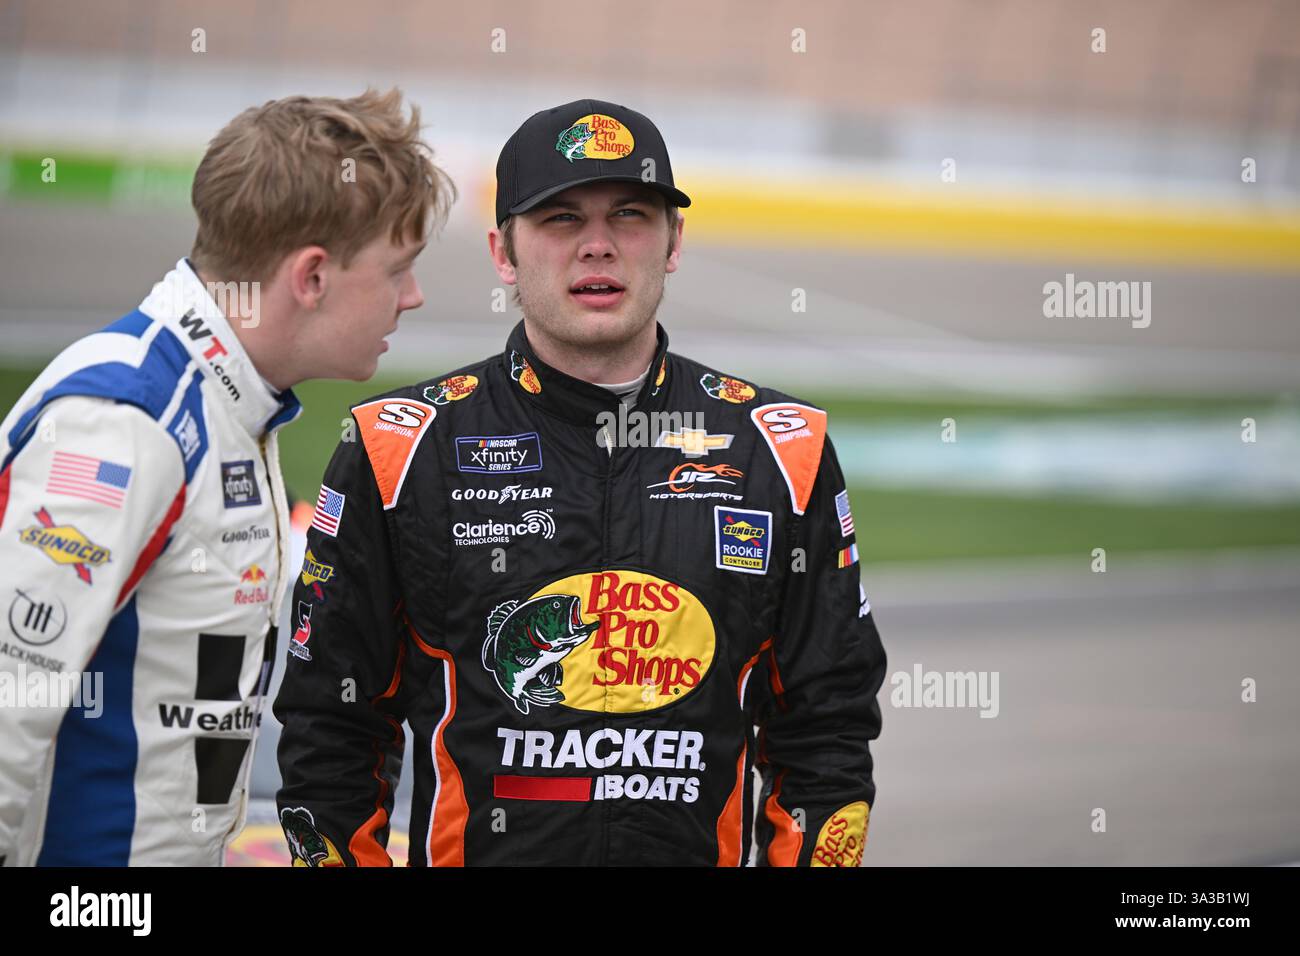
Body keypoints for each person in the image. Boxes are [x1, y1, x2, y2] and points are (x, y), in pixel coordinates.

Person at [274, 98, 885, 867]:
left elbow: (827, 729)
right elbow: (330, 730)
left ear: (673, 241)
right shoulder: (402, 448)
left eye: (629, 215)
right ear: (504, 252)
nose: (597, 246)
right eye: (561, 219)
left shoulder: (778, 451)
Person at [0, 88, 453, 866]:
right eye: (398, 268)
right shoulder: (128, 424)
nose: (413, 296)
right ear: (312, 277)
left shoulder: (230, 402)